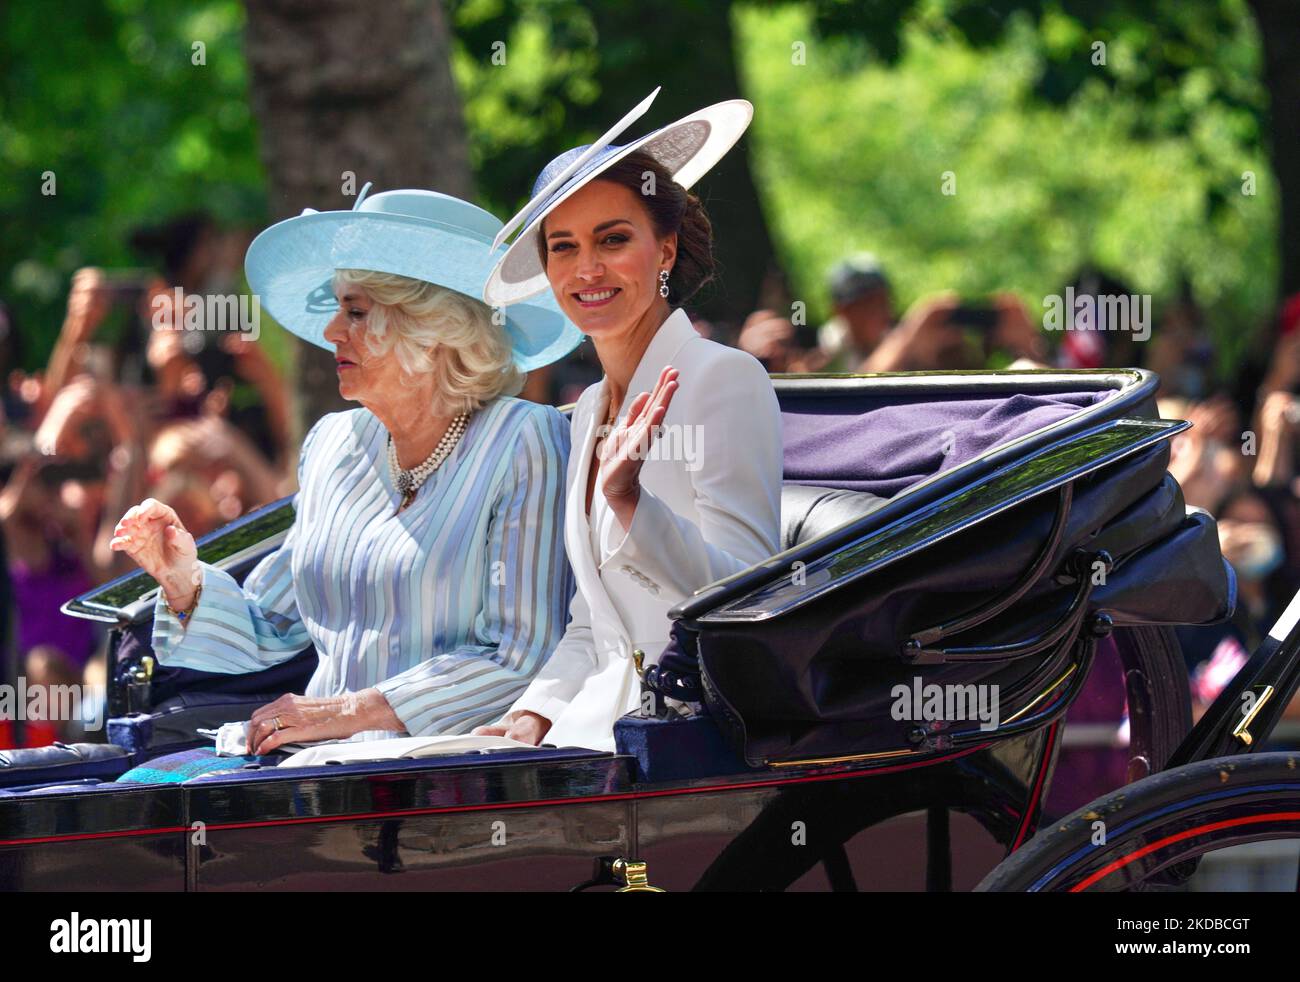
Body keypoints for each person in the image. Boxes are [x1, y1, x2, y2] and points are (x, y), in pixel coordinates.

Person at [110, 187, 582, 763]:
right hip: (316, 768)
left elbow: (521, 654)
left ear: (435, 331)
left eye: (356, 312)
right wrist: (186, 581)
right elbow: (274, 625)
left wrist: (346, 713)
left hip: (451, 777)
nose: (332, 330)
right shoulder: (334, 443)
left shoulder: (524, 438)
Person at [475, 94, 784, 752]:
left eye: (613, 239)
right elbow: (595, 621)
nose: (586, 269)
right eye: (564, 247)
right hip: (593, 725)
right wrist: (536, 712)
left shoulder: (722, 378)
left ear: (664, 250)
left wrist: (630, 502)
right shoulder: (588, 408)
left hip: (690, 730)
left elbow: (747, 599)